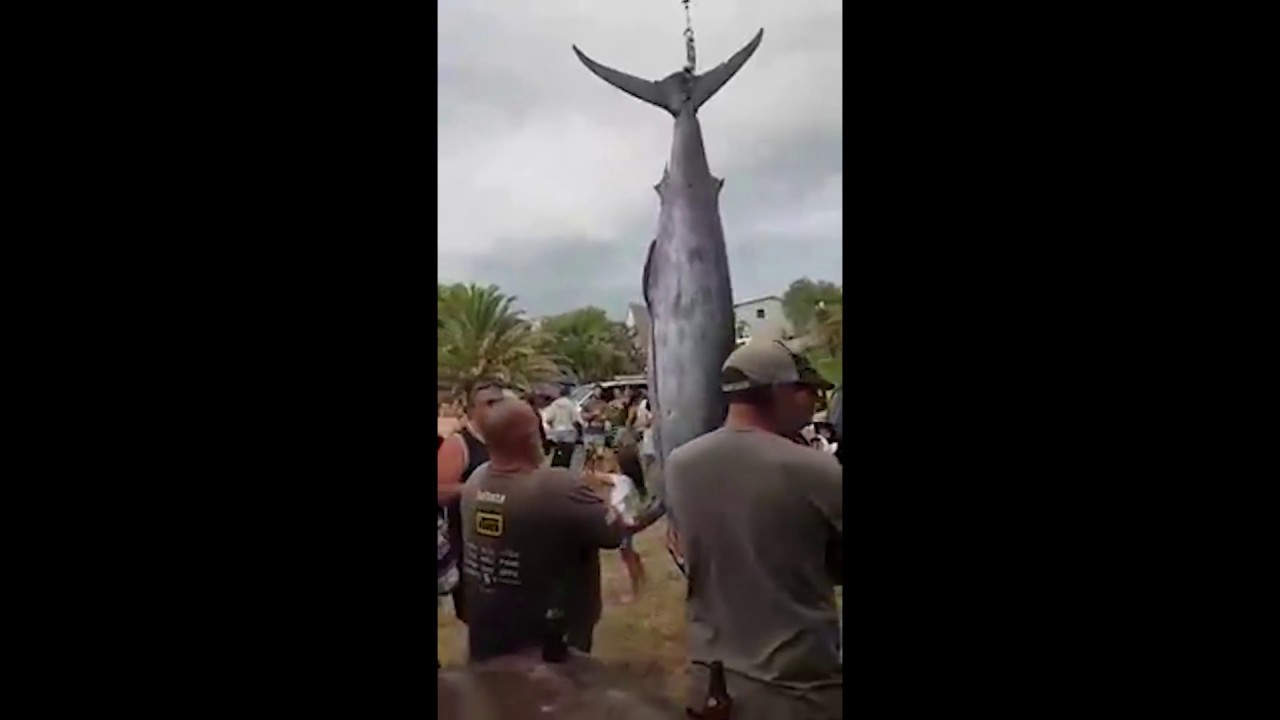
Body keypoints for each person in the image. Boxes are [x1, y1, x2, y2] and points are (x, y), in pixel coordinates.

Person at [665, 340, 842, 720]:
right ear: (782, 391)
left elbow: (686, 549)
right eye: (809, 391)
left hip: (710, 682)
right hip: (794, 689)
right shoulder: (814, 469)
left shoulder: (680, 464)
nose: (815, 403)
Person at [460, 398, 627, 661]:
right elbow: (613, 532)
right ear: (533, 437)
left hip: (488, 629)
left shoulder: (475, 480)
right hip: (549, 638)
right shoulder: (555, 486)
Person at [437, 381, 507, 624]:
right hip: (470, 549)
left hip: (507, 545)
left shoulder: (506, 439)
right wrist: (480, 489)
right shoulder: (459, 444)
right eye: (489, 403)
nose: (496, 408)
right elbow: (440, 490)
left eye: (500, 402)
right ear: (471, 409)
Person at [582, 447, 646, 602]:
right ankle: (642, 577)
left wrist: (591, 462)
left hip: (624, 524)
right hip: (626, 522)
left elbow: (594, 477)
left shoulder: (622, 481)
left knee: (627, 555)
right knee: (629, 552)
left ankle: (635, 591)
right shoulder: (625, 480)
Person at [543, 386, 579, 468]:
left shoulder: (554, 404)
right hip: (569, 431)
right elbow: (575, 419)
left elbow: (548, 419)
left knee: (556, 454)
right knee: (566, 455)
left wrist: (552, 427)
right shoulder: (571, 404)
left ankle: (555, 470)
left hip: (557, 431)